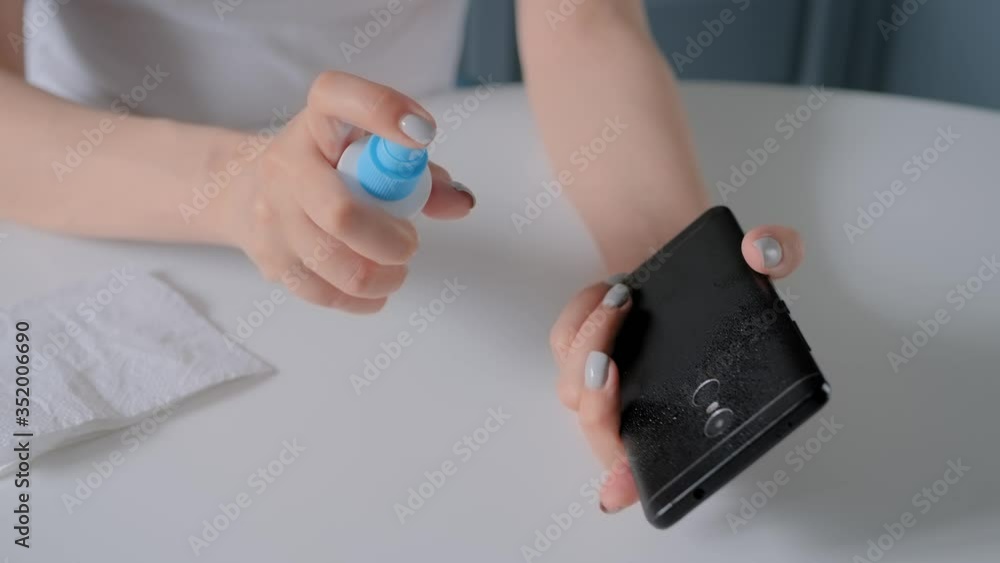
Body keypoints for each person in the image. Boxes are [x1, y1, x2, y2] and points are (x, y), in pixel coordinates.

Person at [0, 0, 803, 514]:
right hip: (97, 234)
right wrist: (239, 187)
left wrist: (665, 288)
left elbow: (582, 22)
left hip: (394, 263)